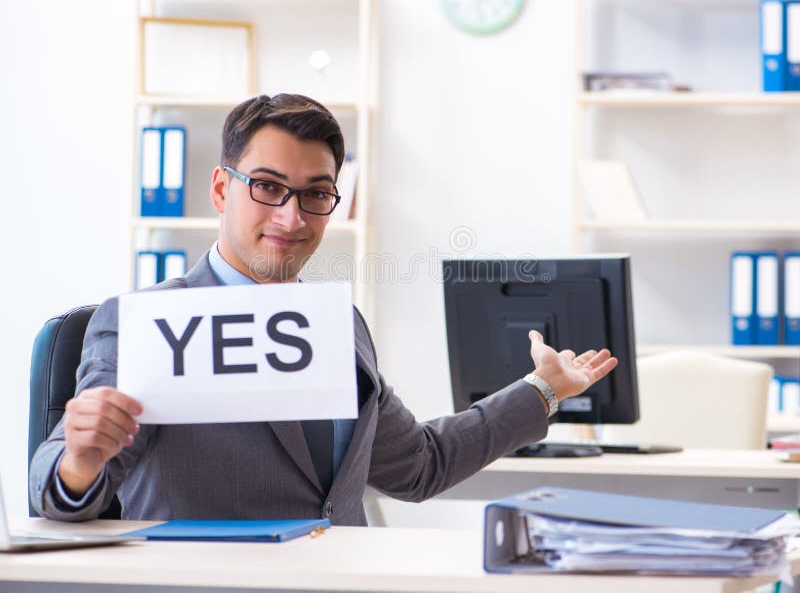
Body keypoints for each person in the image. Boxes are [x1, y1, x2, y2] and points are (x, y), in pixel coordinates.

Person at [29, 94, 617, 524]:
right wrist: (79, 463)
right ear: (219, 190)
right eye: (266, 186)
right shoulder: (146, 324)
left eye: (315, 193)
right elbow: (55, 487)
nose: (292, 217)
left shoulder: (336, 324)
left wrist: (543, 389)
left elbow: (418, 467)